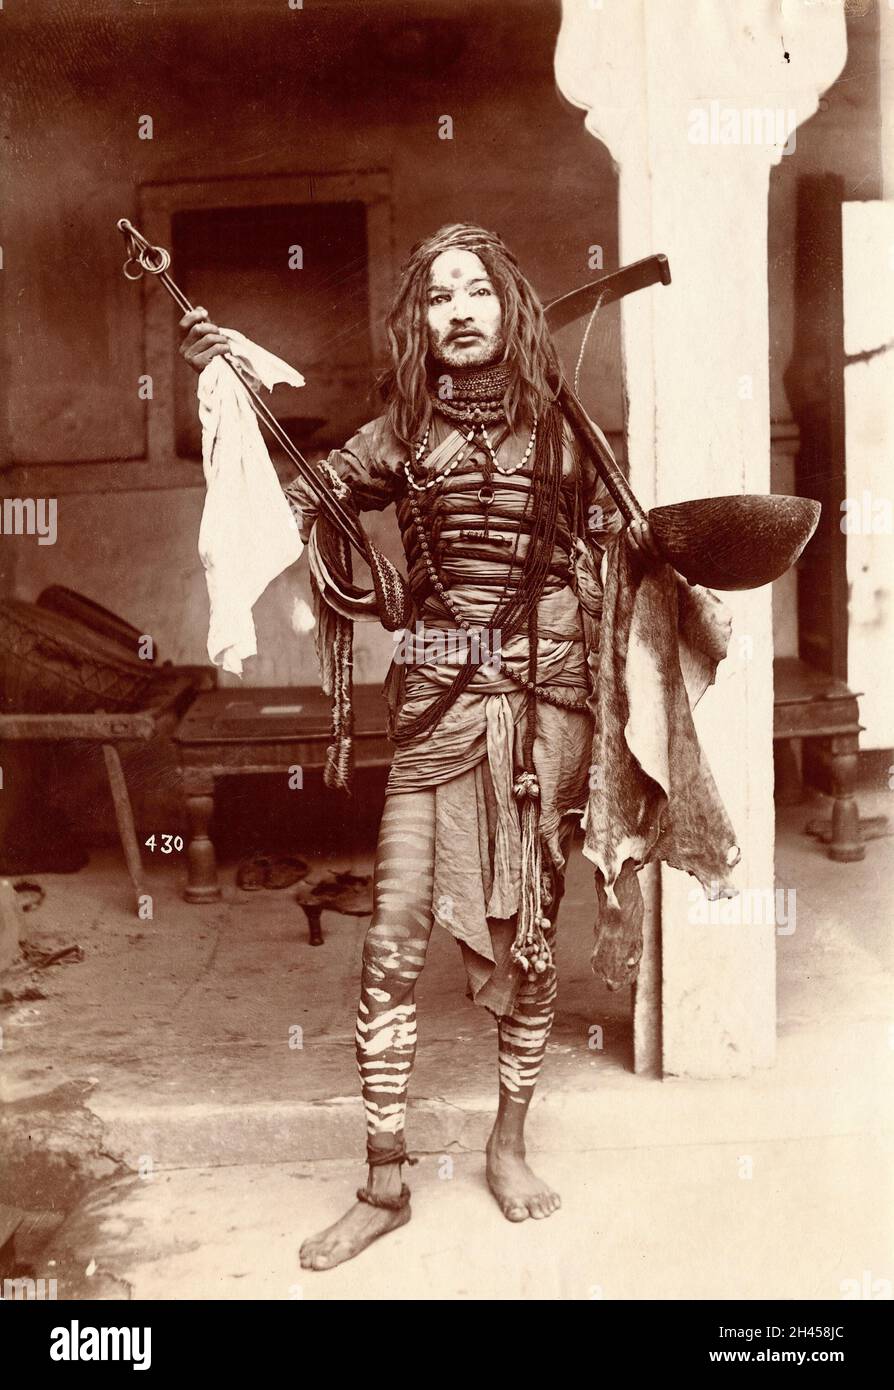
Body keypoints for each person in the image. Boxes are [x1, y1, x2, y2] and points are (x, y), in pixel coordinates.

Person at [179, 223, 661, 1270]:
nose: (458, 310)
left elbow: (625, 558)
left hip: (543, 711)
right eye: (438, 295)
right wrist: (232, 395)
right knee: (393, 933)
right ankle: (385, 1178)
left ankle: (508, 1141)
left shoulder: (565, 432)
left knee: (530, 936)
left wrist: (626, 571)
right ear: (421, 321)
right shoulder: (400, 431)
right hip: (437, 703)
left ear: (510, 305)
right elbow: (302, 500)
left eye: (477, 290)